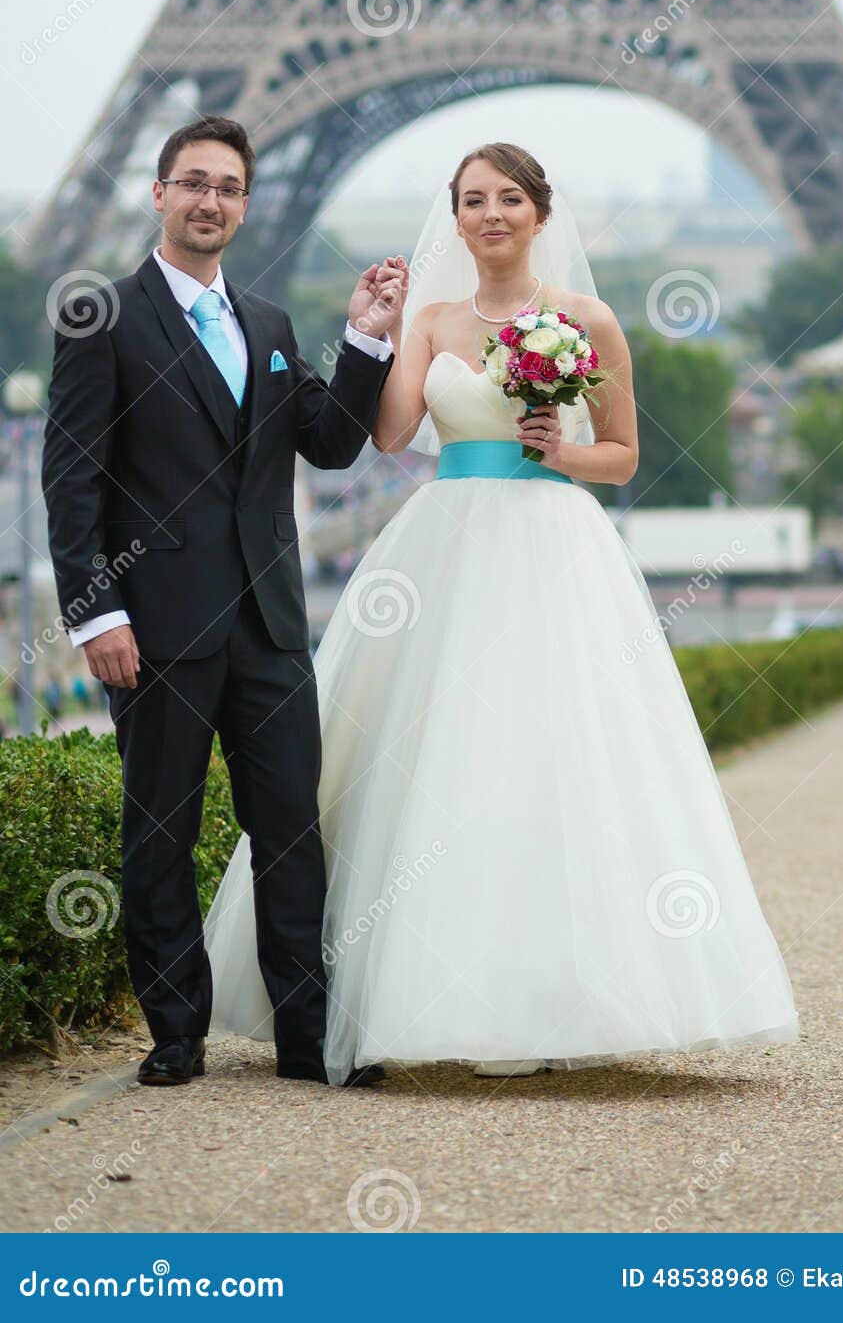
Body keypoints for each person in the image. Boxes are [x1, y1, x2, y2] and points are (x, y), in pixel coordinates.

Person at [204, 143, 798, 1081]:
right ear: (454, 217)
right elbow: (391, 435)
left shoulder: (586, 319)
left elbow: (622, 455)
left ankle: (550, 998)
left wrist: (557, 452)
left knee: (549, 762)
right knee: (434, 759)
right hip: (445, 541)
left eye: (508, 198)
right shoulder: (431, 321)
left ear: (539, 213)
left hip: (550, 540)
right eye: (473, 200)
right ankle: (415, 993)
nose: (491, 214)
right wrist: (376, 328)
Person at [42, 115, 406, 1089]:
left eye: (229, 187)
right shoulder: (103, 320)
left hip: (270, 624)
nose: (211, 200)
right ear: (159, 193)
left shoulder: (272, 325)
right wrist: (96, 613)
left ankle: (306, 1038)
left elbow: (328, 443)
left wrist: (367, 340)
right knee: (158, 826)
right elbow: (72, 479)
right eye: (194, 181)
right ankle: (176, 1033)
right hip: (153, 622)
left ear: (246, 205)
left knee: (290, 827)